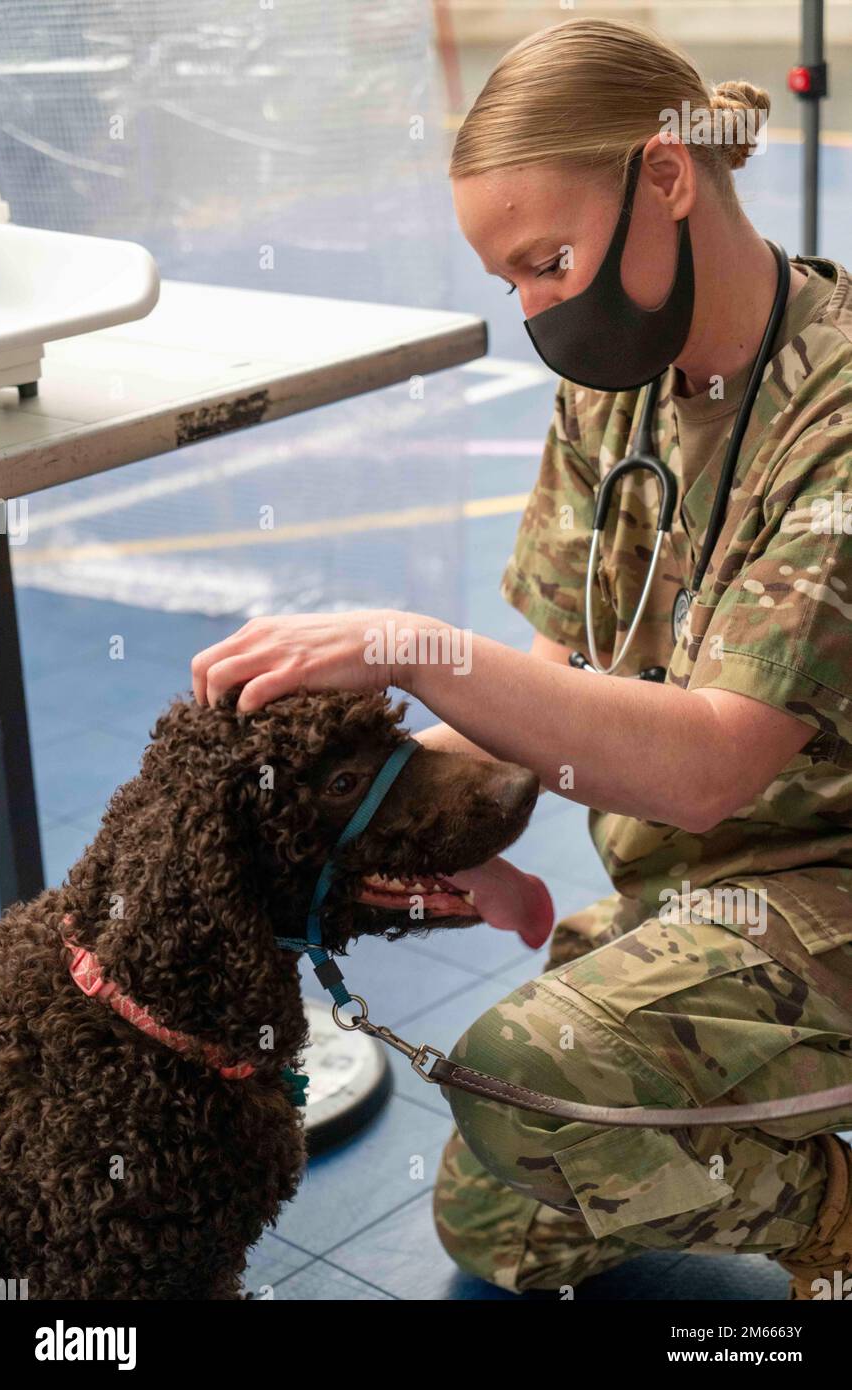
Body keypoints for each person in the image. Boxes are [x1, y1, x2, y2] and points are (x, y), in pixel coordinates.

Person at [191, 18, 852, 1299]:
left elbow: (711, 766)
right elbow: (558, 665)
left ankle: (835, 1222)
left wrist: (412, 646)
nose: (542, 312)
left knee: (526, 1076)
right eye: (513, 285)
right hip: (710, 884)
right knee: (498, 1223)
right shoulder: (621, 388)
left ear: (666, 176)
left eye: (550, 260)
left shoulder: (837, 417)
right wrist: (379, 814)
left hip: (827, 880)